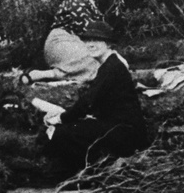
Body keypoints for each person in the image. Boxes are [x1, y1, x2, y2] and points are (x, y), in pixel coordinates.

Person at [43, 41, 150, 174]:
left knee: (63, 132)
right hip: (119, 127)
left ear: (109, 44)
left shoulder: (112, 67)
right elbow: (98, 101)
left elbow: (88, 101)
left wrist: (61, 118)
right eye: (88, 41)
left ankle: (90, 174)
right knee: (71, 130)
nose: (90, 44)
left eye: (96, 40)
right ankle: (85, 172)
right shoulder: (108, 65)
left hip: (126, 133)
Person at [25, 0, 114, 84]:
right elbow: (86, 32)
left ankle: (53, 75)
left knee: (108, 63)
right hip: (61, 42)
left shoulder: (91, 0)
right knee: (95, 64)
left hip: (76, 42)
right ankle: (47, 75)